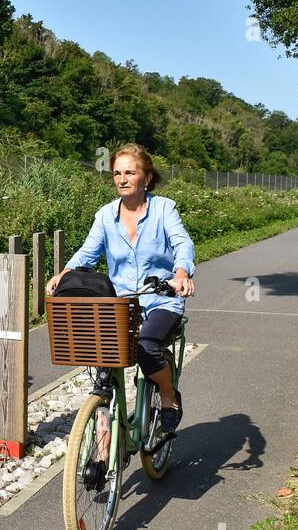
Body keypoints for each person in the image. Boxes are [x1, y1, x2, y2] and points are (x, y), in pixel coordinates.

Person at [46, 143, 196, 437]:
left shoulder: (164, 208)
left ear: (147, 177)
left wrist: (180, 274)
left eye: (130, 172)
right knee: (102, 362)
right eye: (117, 173)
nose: (122, 178)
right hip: (122, 303)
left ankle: (168, 396)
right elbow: (88, 253)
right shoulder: (105, 216)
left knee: (146, 346)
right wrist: (64, 273)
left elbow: (182, 243)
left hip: (161, 299)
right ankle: (103, 442)